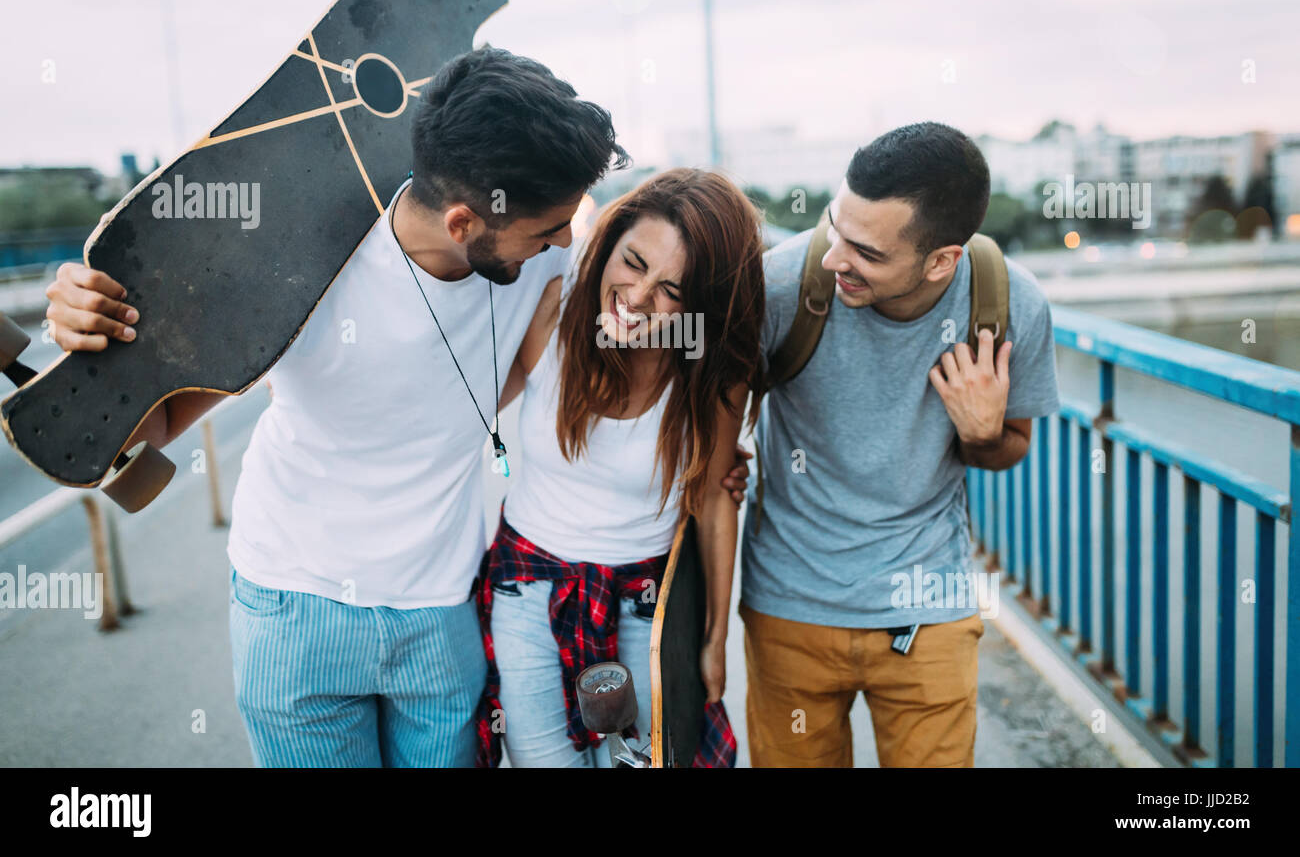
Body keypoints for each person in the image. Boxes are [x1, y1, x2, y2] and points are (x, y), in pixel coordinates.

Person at [42, 46, 628, 767]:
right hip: (297, 610)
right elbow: (156, 423)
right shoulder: (297, 268)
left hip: (440, 611)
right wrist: (85, 333)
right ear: (462, 221)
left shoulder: (548, 258)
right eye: (547, 230)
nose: (564, 240)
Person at [724, 122, 1060, 767]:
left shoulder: (1011, 305)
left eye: (868, 253)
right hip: (791, 608)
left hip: (929, 612)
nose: (834, 259)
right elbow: (709, 431)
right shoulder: (781, 285)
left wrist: (983, 431)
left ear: (942, 260)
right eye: (835, 228)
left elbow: (1010, 448)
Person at [476, 168, 766, 767]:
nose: (637, 296)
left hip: (647, 606)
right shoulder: (555, 308)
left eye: (673, 291)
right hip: (527, 588)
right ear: (610, 241)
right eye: (633, 262)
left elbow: (714, 499)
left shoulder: (709, 370)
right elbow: (465, 400)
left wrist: (714, 641)